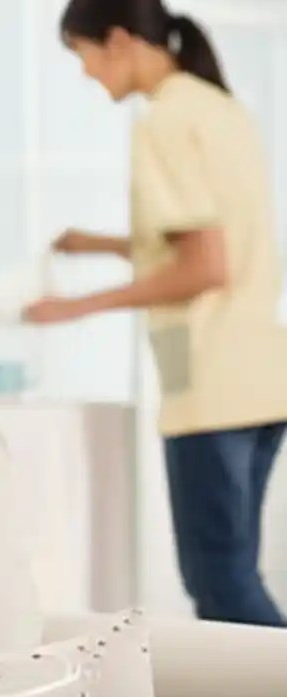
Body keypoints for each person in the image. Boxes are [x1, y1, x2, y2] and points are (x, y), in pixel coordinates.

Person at [24, 0, 287, 627]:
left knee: (220, 585)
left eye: (81, 56)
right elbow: (210, 242)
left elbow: (204, 268)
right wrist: (100, 244)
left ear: (115, 41)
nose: (86, 75)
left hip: (210, 385)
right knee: (234, 575)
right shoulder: (219, 106)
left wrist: (74, 307)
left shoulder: (162, 121)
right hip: (262, 376)